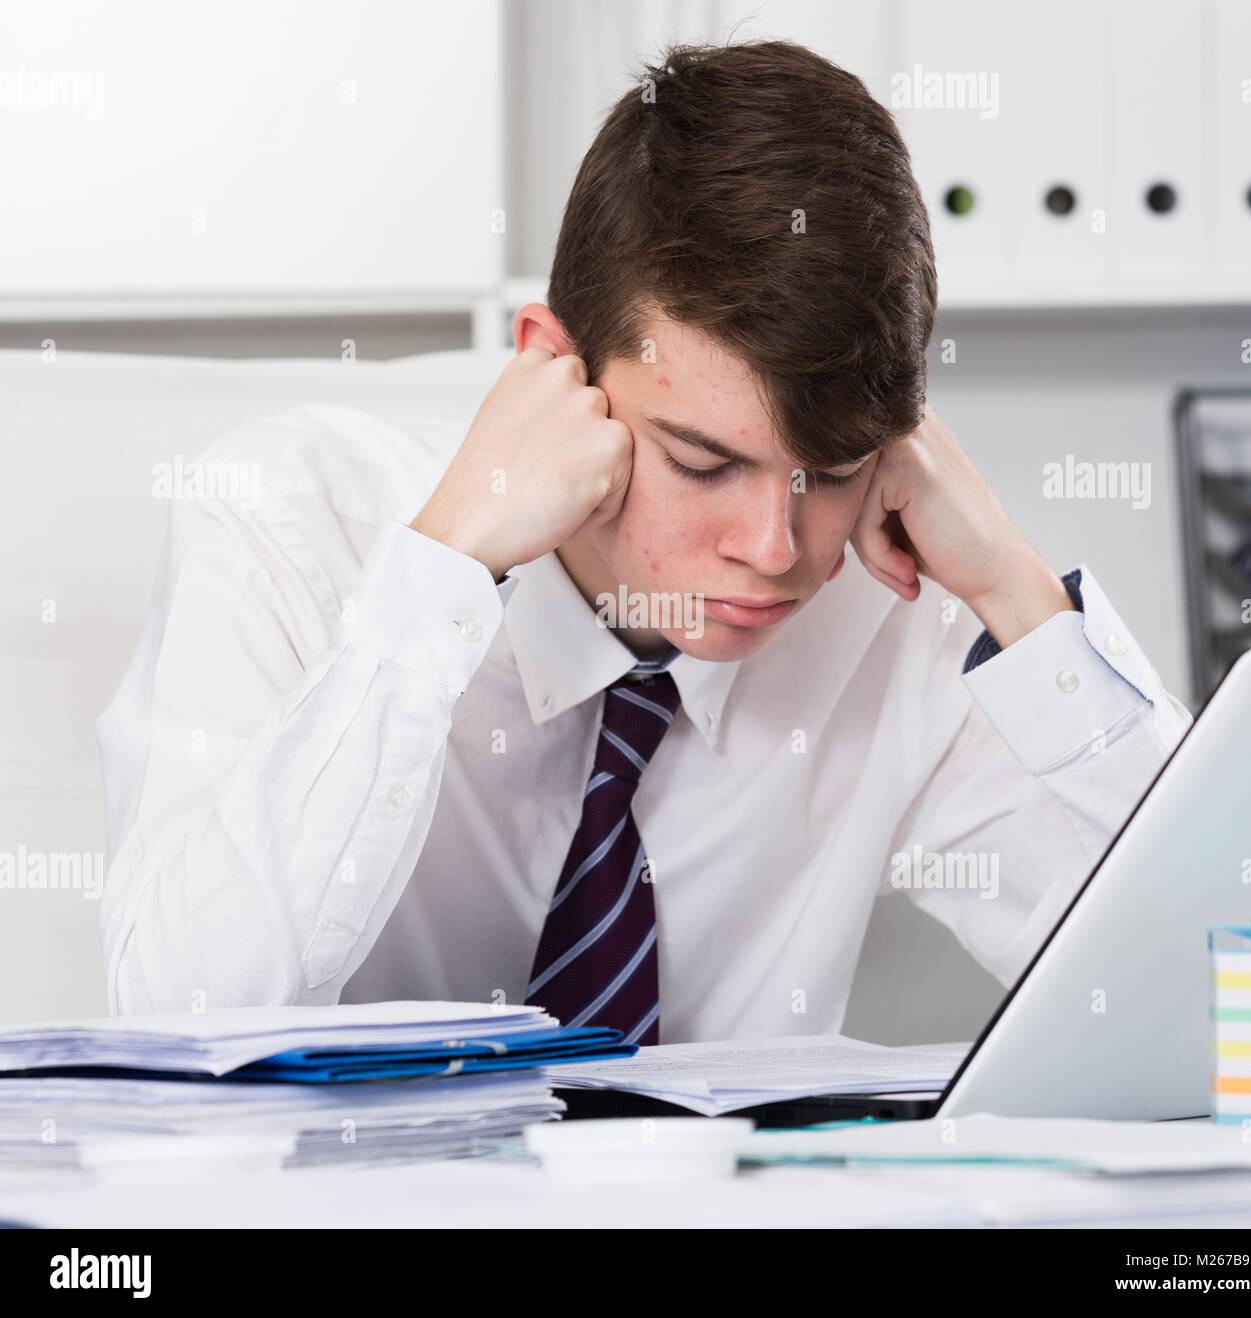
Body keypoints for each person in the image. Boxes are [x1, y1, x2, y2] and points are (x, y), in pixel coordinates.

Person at [97, 40, 1191, 1043]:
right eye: (704, 464)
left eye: (834, 470)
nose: (773, 547)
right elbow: (180, 1015)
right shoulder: (287, 524)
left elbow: (1234, 1011)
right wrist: (440, 579)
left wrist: (1017, 590)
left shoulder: (895, 599)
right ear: (550, 368)